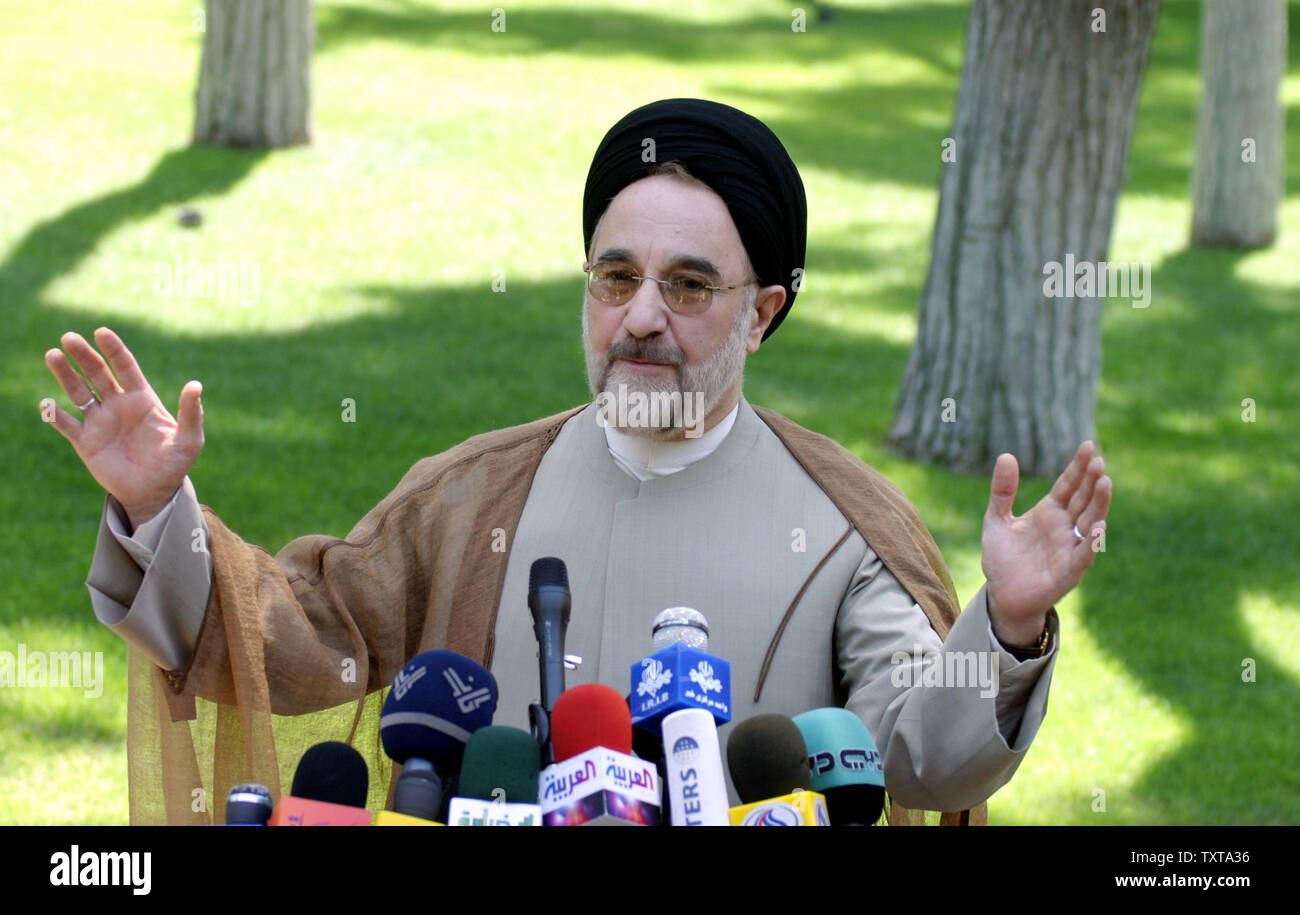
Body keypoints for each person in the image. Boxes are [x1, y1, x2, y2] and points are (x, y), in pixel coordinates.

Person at [42, 98, 1110, 826]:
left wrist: (1008, 624)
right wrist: (159, 510)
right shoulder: (471, 492)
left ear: (763, 312)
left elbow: (918, 757)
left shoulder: (842, 523)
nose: (641, 317)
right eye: (615, 277)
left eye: (689, 286)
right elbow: (302, 641)